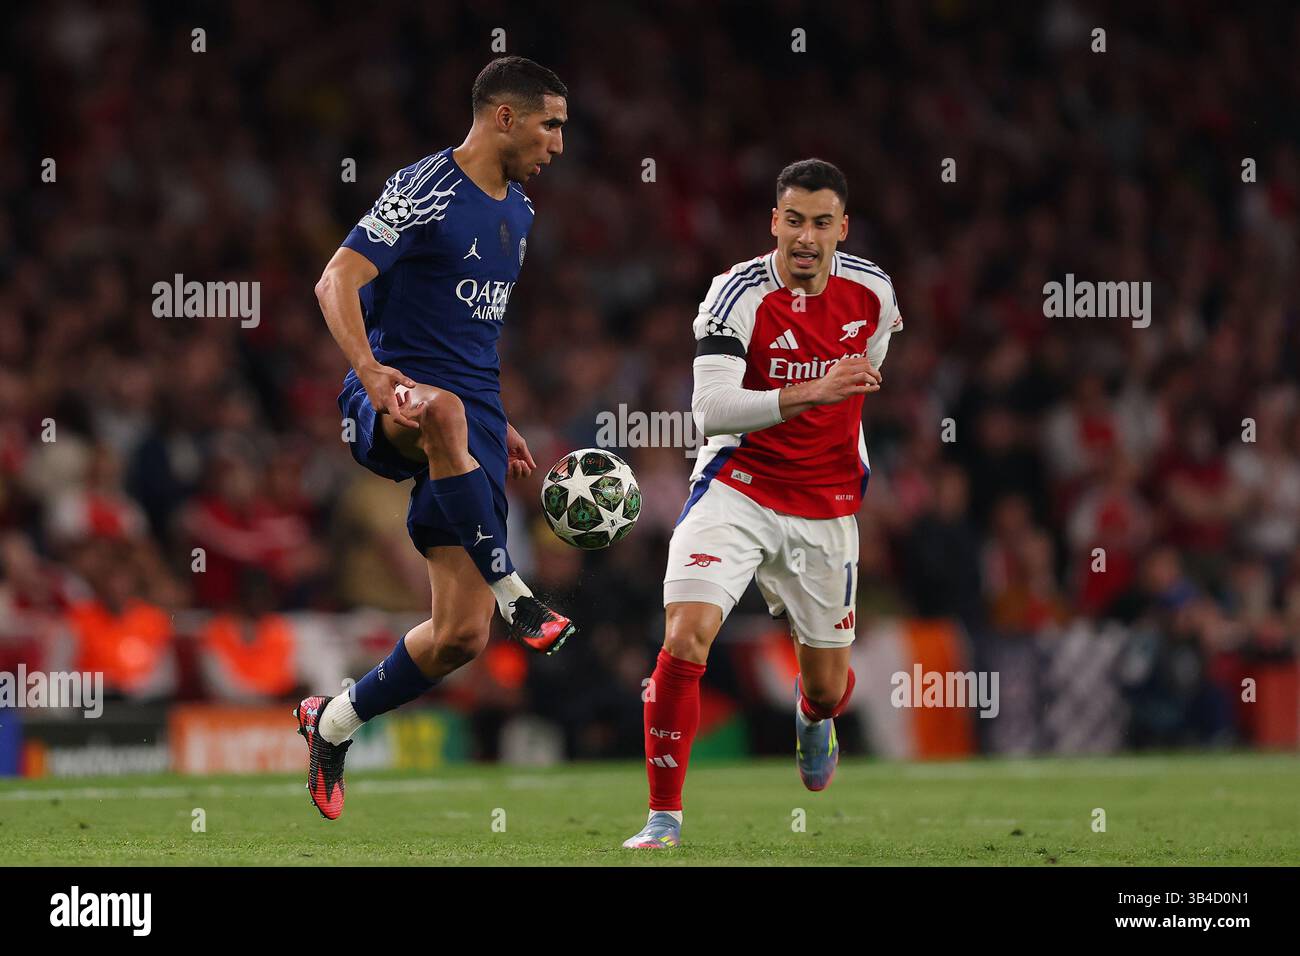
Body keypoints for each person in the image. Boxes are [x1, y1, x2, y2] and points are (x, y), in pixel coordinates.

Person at [297, 56, 573, 820]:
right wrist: (373, 373)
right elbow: (335, 281)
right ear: (505, 117)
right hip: (389, 397)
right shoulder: (423, 189)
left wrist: (500, 417)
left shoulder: (519, 215)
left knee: (457, 637)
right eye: (551, 125)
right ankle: (518, 595)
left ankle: (332, 722)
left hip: (467, 408)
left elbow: (472, 335)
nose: (558, 143)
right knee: (443, 411)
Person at [622, 159, 903, 848]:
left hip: (824, 505)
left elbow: (862, 382)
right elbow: (711, 409)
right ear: (774, 222)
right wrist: (812, 390)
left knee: (830, 686)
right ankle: (664, 818)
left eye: (822, 223)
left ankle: (814, 717)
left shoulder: (875, 294)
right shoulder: (735, 294)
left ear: (843, 228)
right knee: (685, 637)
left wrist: (830, 410)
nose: (806, 237)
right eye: (794, 221)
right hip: (736, 489)